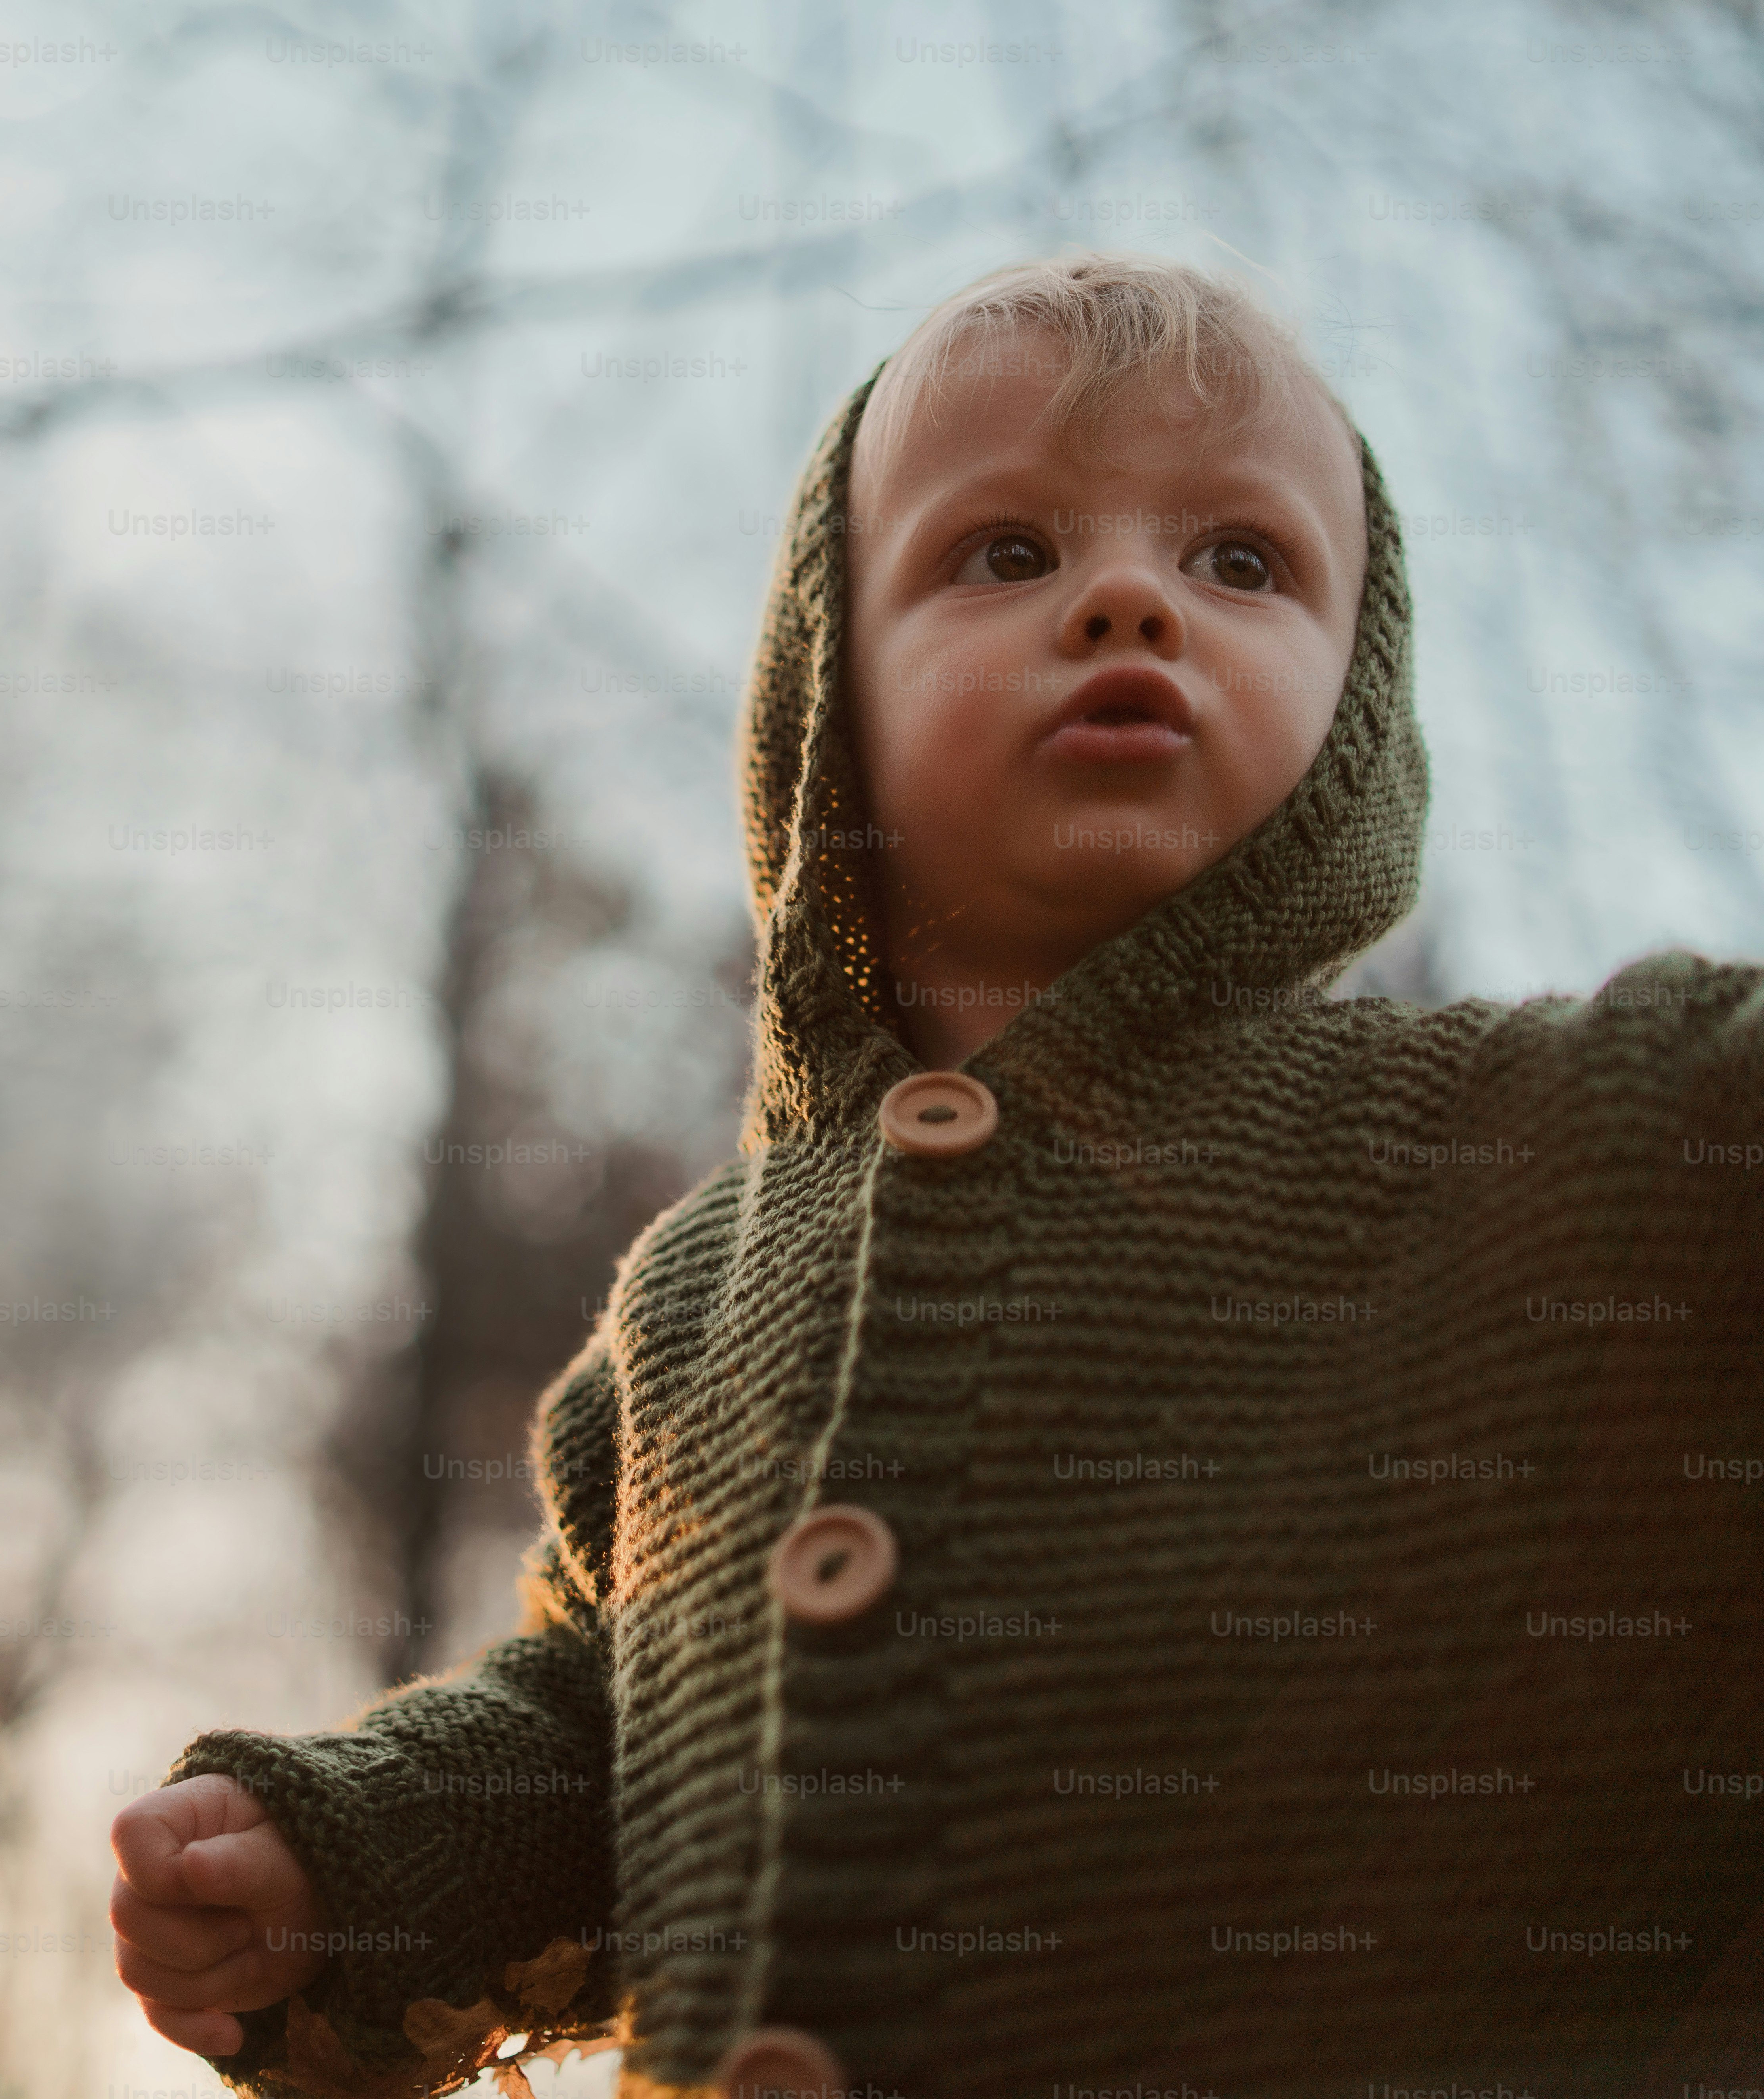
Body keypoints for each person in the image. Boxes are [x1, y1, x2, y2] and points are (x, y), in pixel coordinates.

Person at [106, 252, 1764, 2097]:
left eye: (1239, 561)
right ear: (829, 716)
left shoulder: (1547, 1139)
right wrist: (355, 1866)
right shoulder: (691, 1301)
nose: (1129, 598)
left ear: (1356, 713)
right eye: (1004, 553)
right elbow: (597, 1729)